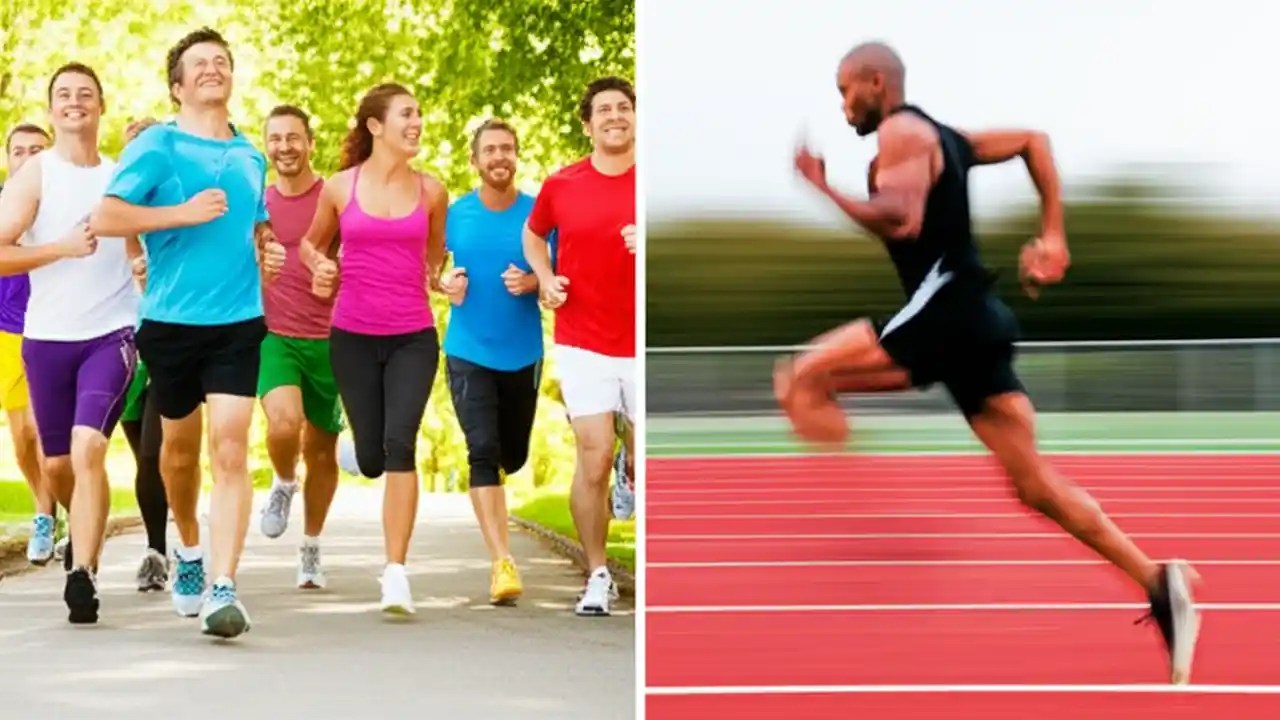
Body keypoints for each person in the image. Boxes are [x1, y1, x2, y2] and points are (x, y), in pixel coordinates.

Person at [776, 41, 1199, 684]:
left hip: (945, 312)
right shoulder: (948, 137)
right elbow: (1033, 140)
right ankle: (1156, 579)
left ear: (875, 81)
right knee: (1035, 486)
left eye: (845, 91)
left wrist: (823, 187)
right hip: (974, 322)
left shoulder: (899, 133)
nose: (842, 106)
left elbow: (899, 218)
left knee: (802, 376)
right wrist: (1053, 233)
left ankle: (862, 506)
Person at [89, 27, 285, 639]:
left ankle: (224, 586)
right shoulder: (158, 145)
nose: (212, 69)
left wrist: (268, 252)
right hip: (171, 322)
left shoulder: (252, 154)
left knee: (231, 448)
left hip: (238, 322)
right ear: (177, 87)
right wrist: (178, 214)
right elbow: (105, 215)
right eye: (199, 63)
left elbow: (258, 229)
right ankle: (191, 552)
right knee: (178, 454)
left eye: (221, 61)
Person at [299, 83, 451, 615]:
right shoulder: (340, 188)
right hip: (353, 338)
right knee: (369, 459)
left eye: (419, 114)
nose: (416, 122)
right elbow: (313, 244)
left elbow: (434, 264)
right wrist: (319, 267)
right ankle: (357, 448)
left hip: (413, 336)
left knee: (401, 445)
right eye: (406, 114)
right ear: (375, 126)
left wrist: (448, 283)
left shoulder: (433, 192)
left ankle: (396, 573)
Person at [0, 63, 141, 624]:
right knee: (57, 465)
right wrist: (58, 248)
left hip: (111, 332)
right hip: (48, 338)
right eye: (63, 95)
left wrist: (142, 267)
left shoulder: (122, 175)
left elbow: (138, 247)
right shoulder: (35, 175)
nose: (74, 102)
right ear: (52, 107)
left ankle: (83, 571)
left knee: (89, 449)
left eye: (85, 94)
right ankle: (73, 528)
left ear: (100, 107)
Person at [522, 76, 637, 616]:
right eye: (604, 110)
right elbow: (532, 233)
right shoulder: (562, 184)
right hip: (584, 338)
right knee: (593, 458)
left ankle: (632, 473)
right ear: (588, 125)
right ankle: (597, 575)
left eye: (624, 107)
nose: (615, 116)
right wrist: (545, 276)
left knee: (648, 455)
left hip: (646, 339)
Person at [440, 118, 542, 605]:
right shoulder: (455, 215)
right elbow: (426, 271)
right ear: (475, 161)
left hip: (523, 355)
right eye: (490, 151)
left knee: (511, 456)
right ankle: (502, 562)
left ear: (516, 156)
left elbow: (564, 278)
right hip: (468, 352)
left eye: (507, 149)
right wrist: (444, 287)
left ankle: (502, 548)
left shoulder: (539, 216)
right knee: (482, 450)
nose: (499, 157)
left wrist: (534, 284)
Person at [254, 104, 342, 591]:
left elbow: (361, 257)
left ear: (309, 143)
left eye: (293, 138)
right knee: (284, 423)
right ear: (267, 146)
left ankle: (310, 546)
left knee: (323, 452)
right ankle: (284, 481)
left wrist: (337, 275)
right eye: (275, 138)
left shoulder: (334, 198)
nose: (284, 147)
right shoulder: (256, 202)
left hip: (330, 338)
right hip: (274, 334)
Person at [117, 116, 170, 593]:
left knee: (156, 454)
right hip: (122, 348)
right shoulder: (111, 218)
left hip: (170, 345)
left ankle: (157, 552)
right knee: (143, 459)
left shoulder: (175, 215)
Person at [0, 123, 56, 565]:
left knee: (43, 431)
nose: (27, 157)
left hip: (52, 326)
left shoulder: (60, 206)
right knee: (21, 436)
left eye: (37, 149)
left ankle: (44, 514)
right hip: (6, 332)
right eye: (19, 150)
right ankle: (47, 505)